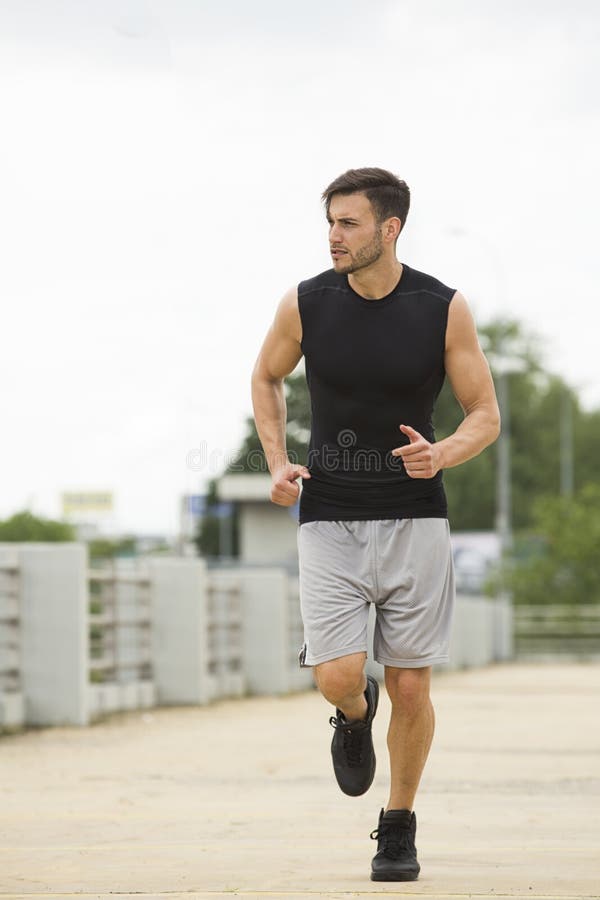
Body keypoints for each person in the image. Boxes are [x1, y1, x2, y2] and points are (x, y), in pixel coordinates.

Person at [250, 167, 500, 882]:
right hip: (327, 513)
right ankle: (352, 718)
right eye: (330, 221)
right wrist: (277, 460)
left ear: (389, 229)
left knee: (413, 687)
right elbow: (265, 377)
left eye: (349, 223)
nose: (334, 235)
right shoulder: (305, 304)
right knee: (338, 676)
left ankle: (397, 827)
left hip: (416, 518)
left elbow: (484, 413)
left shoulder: (440, 307)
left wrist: (442, 453)